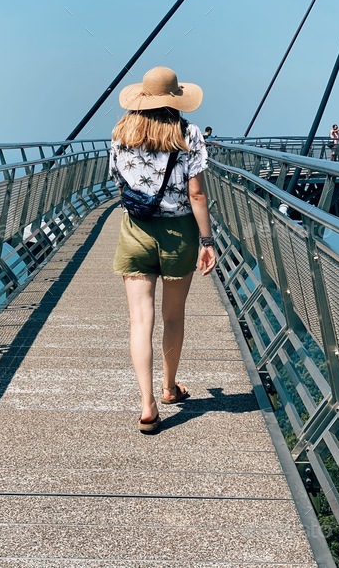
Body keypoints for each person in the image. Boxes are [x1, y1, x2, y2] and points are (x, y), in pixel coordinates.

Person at [110, 66, 216, 434]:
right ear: (176, 99)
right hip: (179, 234)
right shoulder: (189, 134)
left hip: (135, 229)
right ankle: (169, 388)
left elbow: (119, 181)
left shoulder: (121, 132)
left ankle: (147, 404)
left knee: (140, 320)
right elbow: (197, 194)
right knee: (172, 317)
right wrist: (207, 241)